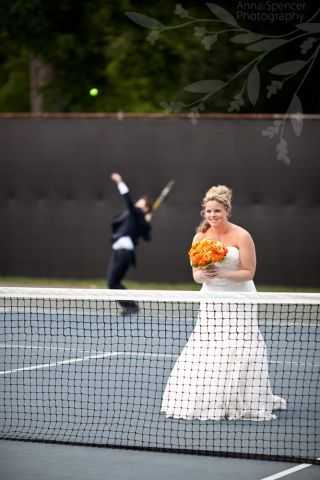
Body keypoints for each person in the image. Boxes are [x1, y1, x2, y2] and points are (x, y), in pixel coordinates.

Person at [161, 185, 286, 421]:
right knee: (211, 347)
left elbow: (249, 272)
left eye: (217, 211)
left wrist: (222, 273)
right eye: (208, 212)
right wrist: (205, 275)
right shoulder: (200, 237)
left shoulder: (242, 236)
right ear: (204, 213)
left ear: (226, 210)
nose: (212, 216)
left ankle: (245, 399)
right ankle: (210, 401)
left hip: (241, 299)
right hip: (211, 301)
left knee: (242, 346)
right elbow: (196, 275)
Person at [107, 172, 152, 314]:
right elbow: (146, 236)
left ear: (145, 209)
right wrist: (145, 222)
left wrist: (120, 181)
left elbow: (147, 237)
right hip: (120, 252)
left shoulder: (138, 214)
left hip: (124, 252)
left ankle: (131, 306)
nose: (138, 203)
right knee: (113, 283)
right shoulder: (138, 217)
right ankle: (131, 306)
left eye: (141, 203)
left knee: (112, 283)